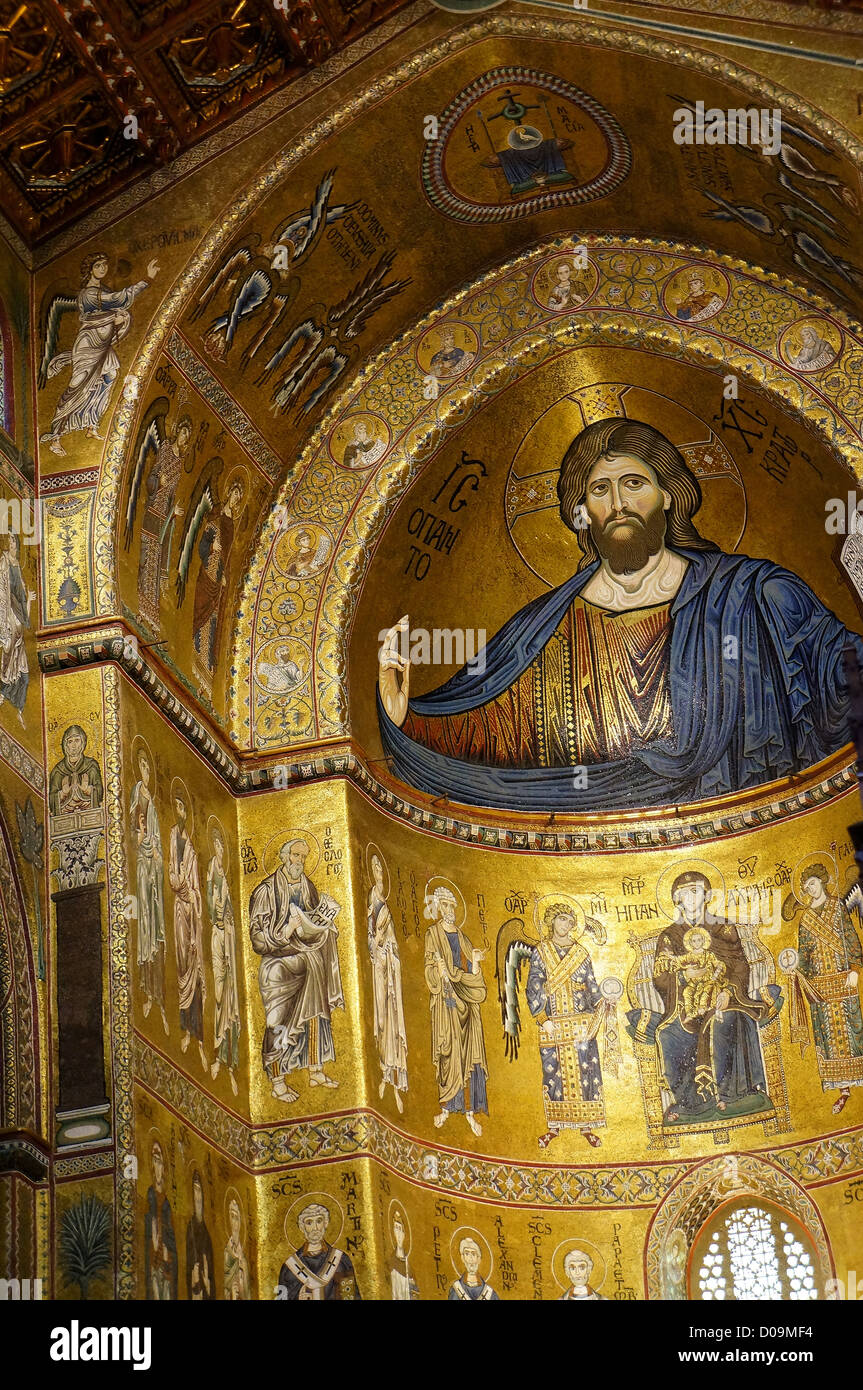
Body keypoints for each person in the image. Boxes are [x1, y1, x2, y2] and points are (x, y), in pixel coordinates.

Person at [378, 417, 863, 811]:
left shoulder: (752, 593)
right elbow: (488, 729)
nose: (618, 504)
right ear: (582, 511)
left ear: (668, 494)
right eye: (600, 490)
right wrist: (406, 720)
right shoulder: (545, 629)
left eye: (634, 483)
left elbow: (840, 674)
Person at [645, 871, 779, 1124]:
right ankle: (691, 1102)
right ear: (678, 900)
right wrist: (684, 976)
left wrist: (728, 992)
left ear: (706, 896)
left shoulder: (723, 927)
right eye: (684, 894)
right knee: (668, 1034)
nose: (690, 898)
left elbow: (740, 965)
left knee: (724, 1021)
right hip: (685, 1005)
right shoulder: (670, 935)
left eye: (695, 891)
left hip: (725, 998)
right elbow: (660, 977)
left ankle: (732, 1095)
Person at [248, 838, 343, 1101]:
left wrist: (324, 928)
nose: (299, 861)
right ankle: (277, 1080)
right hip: (278, 967)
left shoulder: (308, 887)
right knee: (276, 1022)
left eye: (303, 856)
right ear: (283, 856)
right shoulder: (266, 891)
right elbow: (258, 940)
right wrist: (287, 930)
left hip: (308, 963)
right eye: (295, 855)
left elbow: (312, 922)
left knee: (315, 1017)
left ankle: (315, 1069)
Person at [40, 252, 159, 455]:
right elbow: (117, 299)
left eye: (104, 265)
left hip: (103, 344)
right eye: (98, 266)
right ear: (90, 270)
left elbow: (111, 306)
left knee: (110, 375)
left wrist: (116, 318)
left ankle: (92, 423)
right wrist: (146, 280)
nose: (103, 269)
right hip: (88, 345)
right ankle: (56, 437)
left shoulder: (101, 290)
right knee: (77, 387)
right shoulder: (88, 294)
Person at [524, 904, 606, 1150]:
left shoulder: (580, 954)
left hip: (580, 1025)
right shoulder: (542, 952)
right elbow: (534, 985)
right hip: (553, 1024)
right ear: (551, 921)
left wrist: (603, 1001)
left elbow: (591, 985)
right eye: (561, 919)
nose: (565, 925)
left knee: (586, 1074)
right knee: (553, 1074)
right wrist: (542, 1018)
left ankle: (587, 1127)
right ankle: (554, 1127)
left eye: (569, 921)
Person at [793, 864, 863, 1114]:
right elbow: (804, 954)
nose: (809, 888)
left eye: (812, 883)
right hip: (821, 987)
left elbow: (851, 937)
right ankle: (841, 1088)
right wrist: (795, 966)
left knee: (851, 1032)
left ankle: (856, 1081)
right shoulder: (806, 919)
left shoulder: (837, 907)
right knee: (827, 1035)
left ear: (822, 882)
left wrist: (855, 969)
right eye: (805, 886)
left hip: (843, 979)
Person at [424, 884, 488, 1136]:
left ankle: (470, 1112)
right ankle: (447, 1109)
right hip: (446, 1001)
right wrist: (438, 972)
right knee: (449, 1054)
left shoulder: (462, 936)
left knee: (470, 1056)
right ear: (438, 908)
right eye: (445, 905)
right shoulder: (432, 934)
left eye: (452, 905)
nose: (450, 910)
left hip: (467, 1002)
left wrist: (476, 966)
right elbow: (429, 967)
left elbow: (471, 969)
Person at [137, 415, 191, 631]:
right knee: (145, 558)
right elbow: (151, 478)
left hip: (164, 516)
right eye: (183, 431)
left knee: (156, 558)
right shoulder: (166, 450)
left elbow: (173, 493)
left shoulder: (180, 462)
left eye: (188, 434)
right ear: (177, 432)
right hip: (152, 510)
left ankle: (150, 612)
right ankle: (139, 605)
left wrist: (174, 513)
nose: (184, 435)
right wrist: (159, 482)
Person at [130, 747, 169, 1034]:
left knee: (156, 933)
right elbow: (135, 834)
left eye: (147, 764)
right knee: (144, 930)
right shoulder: (135, 798)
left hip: (153, 876)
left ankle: (157, 996)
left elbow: (156, 845)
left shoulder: (153, 803)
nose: (145, 768)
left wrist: (156, 853)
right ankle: (145, 990)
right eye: (141, 763)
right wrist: (143, 840)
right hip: (142, 875)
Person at [193, 477, 244, 689]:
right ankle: (196, 657)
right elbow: (201, 549)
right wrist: (212, 547)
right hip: (207, 575)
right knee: (202, 613)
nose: (235, 499)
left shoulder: (231, 525)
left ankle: (206, 666)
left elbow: (230, 555)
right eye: (234, 494)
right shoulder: (214, 520)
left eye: (239, 498)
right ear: (228, 493)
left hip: (220, 578)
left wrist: (226, 576)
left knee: (214, 620)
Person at [168, 789, 207, 1068]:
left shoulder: (191, 849)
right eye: (177, 807)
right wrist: (182, 888)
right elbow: (172, 877)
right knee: (182, 966)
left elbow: (193, 887)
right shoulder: (171, 838)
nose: (180, 813)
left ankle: (197, 1032)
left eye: (184, 808)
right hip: (178, 912)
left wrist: (190, 895)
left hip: (191, 914)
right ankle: (184, 1028)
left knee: (194, 966)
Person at [367, 852, 408, 1112]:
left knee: (392, 1021)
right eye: (374, 870)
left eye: (381, 870)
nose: (378, 874)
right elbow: (372, 937)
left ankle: (394, 1080)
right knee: (381, 1021)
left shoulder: (386, 908)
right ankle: (382, 1072)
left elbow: (392, 941)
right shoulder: (372, 902)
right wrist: (375, 947)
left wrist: (388, 950)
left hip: (391, 971)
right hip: (377, 969)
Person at [207, 826, 241, 1094]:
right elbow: (210, 906)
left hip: (227, 944)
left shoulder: (227, 883)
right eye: (216, 845)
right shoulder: (210, 875)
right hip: (216, 941)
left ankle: (229, 1060)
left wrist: (226, 921)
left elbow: (229, 915)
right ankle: (218, 1052)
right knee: (218, 996)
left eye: (221, 846)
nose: (219, 850)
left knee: (228, 998)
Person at [277, 1202, 361, 1300]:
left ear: (325, 1223)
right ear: (302, 1227)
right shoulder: (290, 1267)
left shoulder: (340, 1261)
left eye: (319, 1221)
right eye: (309, 1222)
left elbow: (350, 1297)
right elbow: (280, 1298)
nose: (315, 1228)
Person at [656, 925, 727, 1025]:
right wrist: (670, 956)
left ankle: (702, 1008)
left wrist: (720, 965)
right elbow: (680, 959)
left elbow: (716, 963)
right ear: (690, 943)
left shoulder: (708, 954)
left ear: (703, 941)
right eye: (694, 941)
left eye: (699, 940)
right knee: (687, 992)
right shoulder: (690, 955)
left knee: (705, 992)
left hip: (707, 981)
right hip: (693, 983)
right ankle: (689, 1014)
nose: (697, 943)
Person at [0, 533, 34, 724]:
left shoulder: (17, 567)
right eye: (10, 539)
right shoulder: (3, 563)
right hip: (8, 613)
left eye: (14, 539)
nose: (11, 542)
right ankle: (3, 688)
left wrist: (28, 599)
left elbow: (21, 601)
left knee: (22, 665)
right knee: (8, 647)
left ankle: (18, 705)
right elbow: (3, 590)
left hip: (18, 617)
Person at [144, 1139, 177, 1300]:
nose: (157, 1167)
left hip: (166, 1264)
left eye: (160, 1162)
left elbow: (172, 1238)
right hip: (153, 1264)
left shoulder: (167, 1202)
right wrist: (153, 1245)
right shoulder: (149, 1197)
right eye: (154, 1161)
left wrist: (166, 1254)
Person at [49, 724, 103, 814]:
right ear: (65, 745)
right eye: (70, 741)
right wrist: (62, 794)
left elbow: (100, 791)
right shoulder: (58, 770)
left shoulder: (91, 765)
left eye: (77, 740)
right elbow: (51, 799)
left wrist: (88, 790)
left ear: (83, 742)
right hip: (65, 813)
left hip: (89, 811)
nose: (73, 745)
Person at [186, 1170, 215, 1300]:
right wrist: (195, 1281)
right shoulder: (190, 1229)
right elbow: (187, 1270)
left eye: (199, 1191)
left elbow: (212, 1276)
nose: (198, 1196)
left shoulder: (207, 1234)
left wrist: (207, 1284)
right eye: (195, 1190)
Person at [448, 1237, 498, 1301]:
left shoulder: (490, 1293)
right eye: (467, 1254)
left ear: (479, 1259)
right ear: (462, 1258)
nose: (470, 1259)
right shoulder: (456, 1289)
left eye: (474, 1254)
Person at [224, 1196, 251, 1300]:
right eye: (232, 1216)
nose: (234, 1221)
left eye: (237, 1217)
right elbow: (225, 1286)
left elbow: (249, 1292)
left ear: (241, 1221)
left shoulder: (244, 1251)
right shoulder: (227, 1252)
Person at [388, 1210, 419, 1300]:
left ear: (404, 1233)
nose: (398, 1233)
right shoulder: (392, 1260)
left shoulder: (409, 1262)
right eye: (396, 1228)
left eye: (400, 1229)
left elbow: (416, 1289)